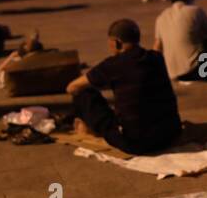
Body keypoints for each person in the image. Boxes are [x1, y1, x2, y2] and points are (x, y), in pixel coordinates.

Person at [65, 19, 181, 154]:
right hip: (170, 135)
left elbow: (72, 87)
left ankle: (84, 127)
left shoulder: (112, 65)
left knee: (84, 94)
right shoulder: (156, 58)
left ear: (117, 42)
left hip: (137, 143)